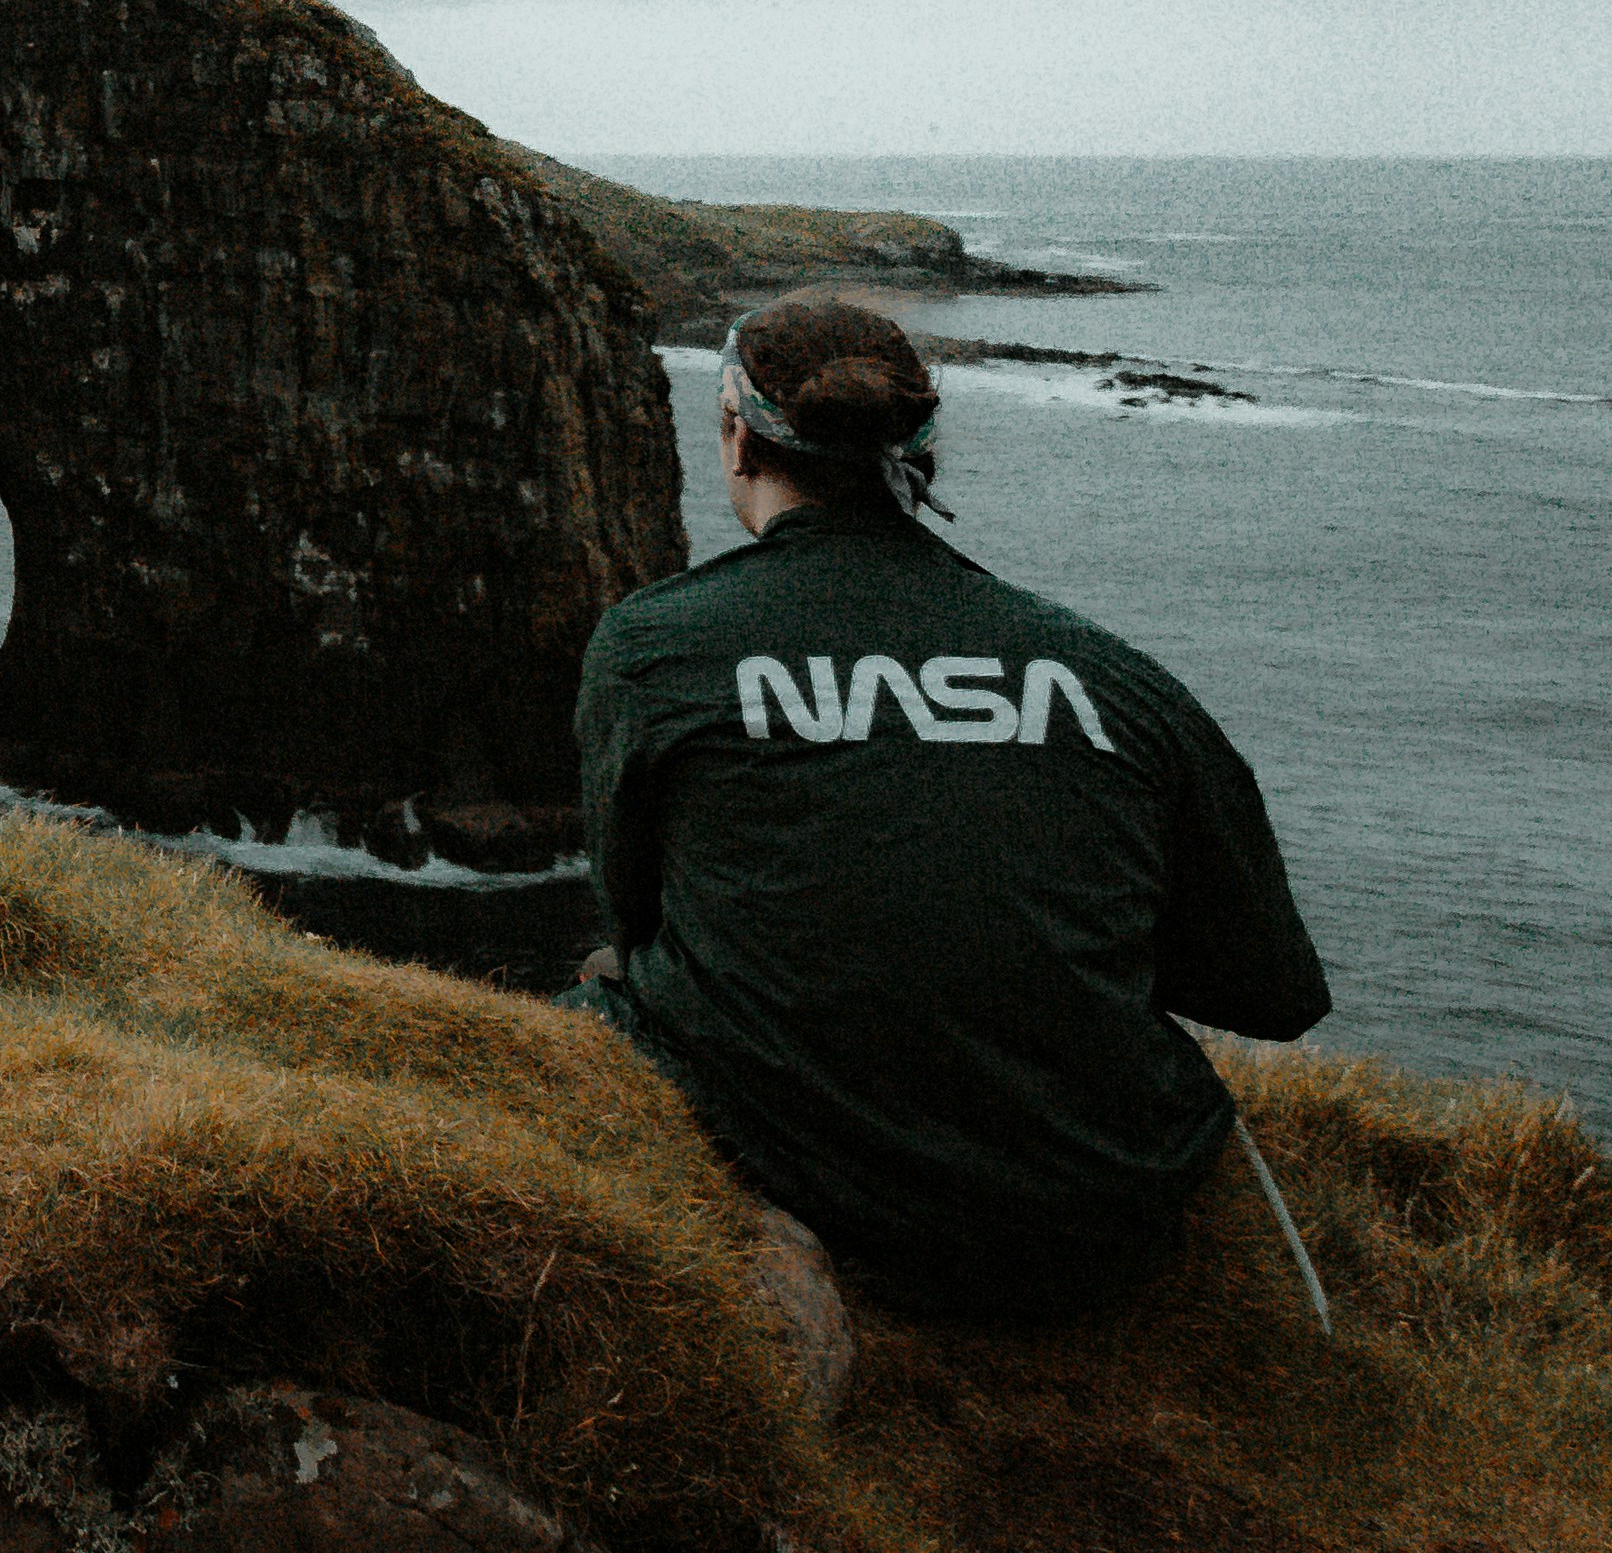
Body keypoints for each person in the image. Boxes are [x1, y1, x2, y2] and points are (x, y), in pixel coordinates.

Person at [564, 289, 1331, 1322]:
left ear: (737, 439)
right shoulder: (1111, 674)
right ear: (921, 454)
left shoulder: (655, 644)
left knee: (596, 987)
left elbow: (636, 913)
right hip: (1095, 1210)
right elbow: (1272, 991)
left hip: (818, 1176)